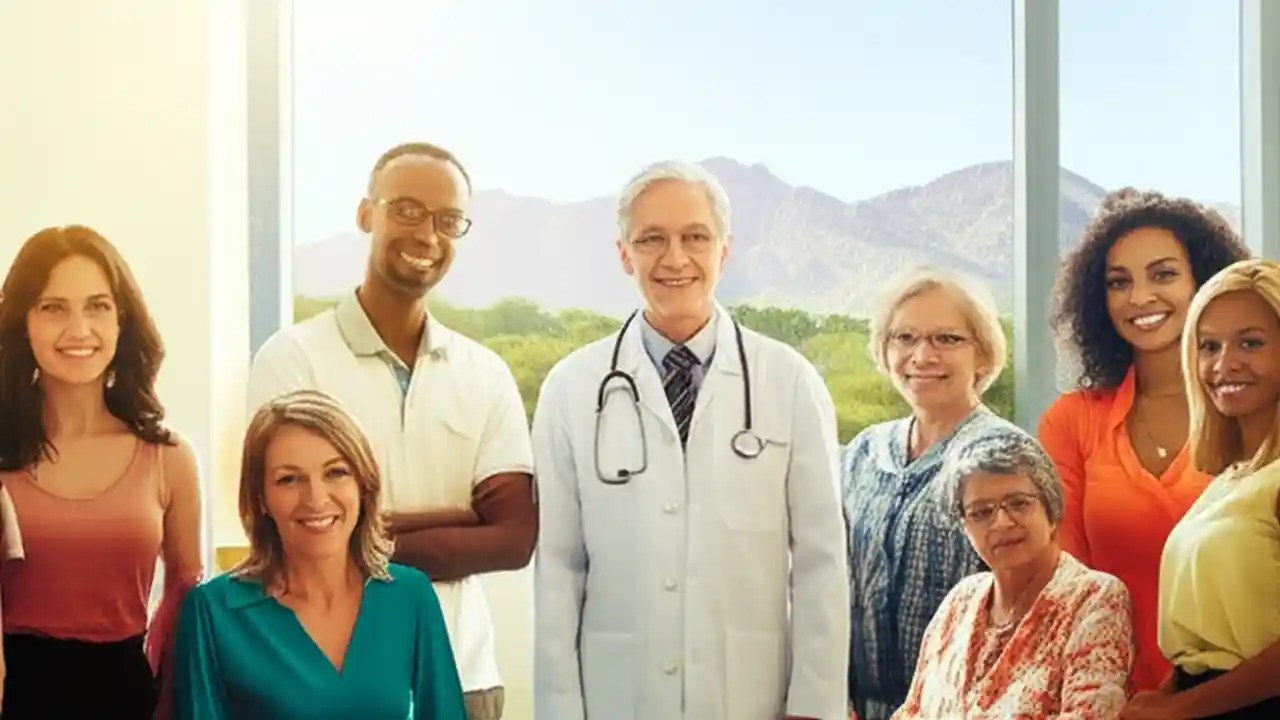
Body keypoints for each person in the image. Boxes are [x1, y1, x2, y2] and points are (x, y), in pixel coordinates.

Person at [531, 160, 849, 720]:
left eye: (695, 237)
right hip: (617, 696)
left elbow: (822, 561)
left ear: (725, 250)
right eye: (651, 239)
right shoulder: (572, 387)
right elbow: (559, 568)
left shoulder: (789, 381)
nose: (674, 257)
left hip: (751, 695)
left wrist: (814, 704)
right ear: (624, 253)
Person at [246, 142, 536, 720]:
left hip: (462, 676)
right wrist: (457, 521)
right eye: (406, 209)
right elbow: (285, 530)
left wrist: (358, 529)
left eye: (448, 220)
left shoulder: (484, 373)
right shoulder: (293, 359)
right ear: (365, 214)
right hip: (325, 677)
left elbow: (511, 540)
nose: (427, 233)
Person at [1038, 188, 1250, 692]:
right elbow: (1060, 587)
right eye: (1118, 282)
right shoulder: (1071, 423)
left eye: (1164, 274)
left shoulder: (1260, 417)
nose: (1139, 297)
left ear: (1208, 281)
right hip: (1108, 698)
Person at [0, 225, 204, 718]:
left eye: (97, 306)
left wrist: (169, 701)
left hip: (130, 698)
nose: (79, 329)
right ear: (23, 322)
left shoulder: (170, 457)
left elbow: (184, 593)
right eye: (53, 308)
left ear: (121, 321)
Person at [174, 389, 467, 719]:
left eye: (336, 472)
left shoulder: (409, 595)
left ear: (363, 483)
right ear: (260, 499)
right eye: (289, 479)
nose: (315, 499)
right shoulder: (214, 612)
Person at [842, 265, 1022, 720]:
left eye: (946, 339)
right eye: (904, 338)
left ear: (982, 355)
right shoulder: (863, 452)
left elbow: (1026, 604)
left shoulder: (1007, 455)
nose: (922, 355)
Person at [1122, 259, 1280, 719]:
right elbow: (1213, 644)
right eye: (1209, 346)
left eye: (1251, 343)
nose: (1224, 364)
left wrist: (1181, 708)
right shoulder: (1229, 478)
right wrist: (1169, 694)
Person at [894, 430, 1133, 719]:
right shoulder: (960, 601)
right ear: (964, 527)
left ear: (1051, 507)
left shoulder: (1093, 598)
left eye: (1019, 503)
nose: (1003, 523)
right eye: (981, 512)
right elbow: (911, 712)